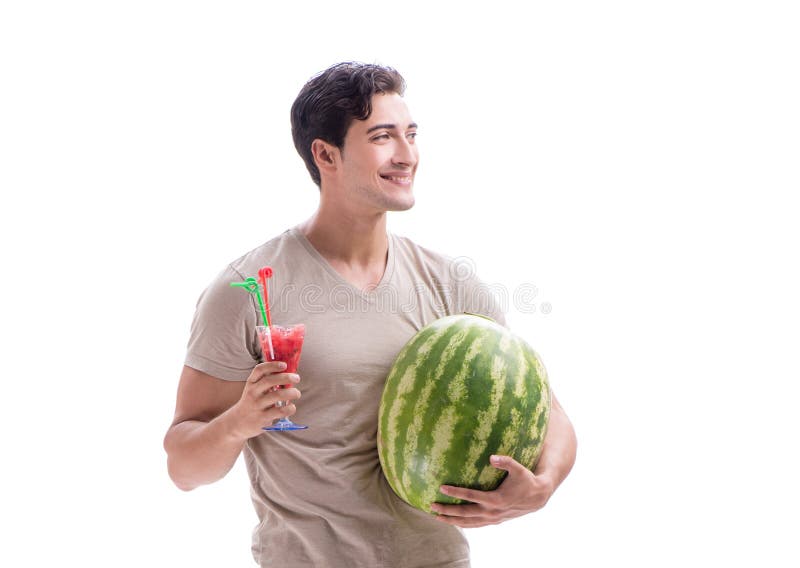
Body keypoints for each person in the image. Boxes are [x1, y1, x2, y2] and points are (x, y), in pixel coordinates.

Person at [164, 61, 577, 567]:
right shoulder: (249, 290)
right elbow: (183, 467)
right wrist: (240, 422)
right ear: (325, 154)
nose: (407, 155)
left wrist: (544, 483)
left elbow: (550, 415)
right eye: (383, 137)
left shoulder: (451, 286)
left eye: (411, 134)